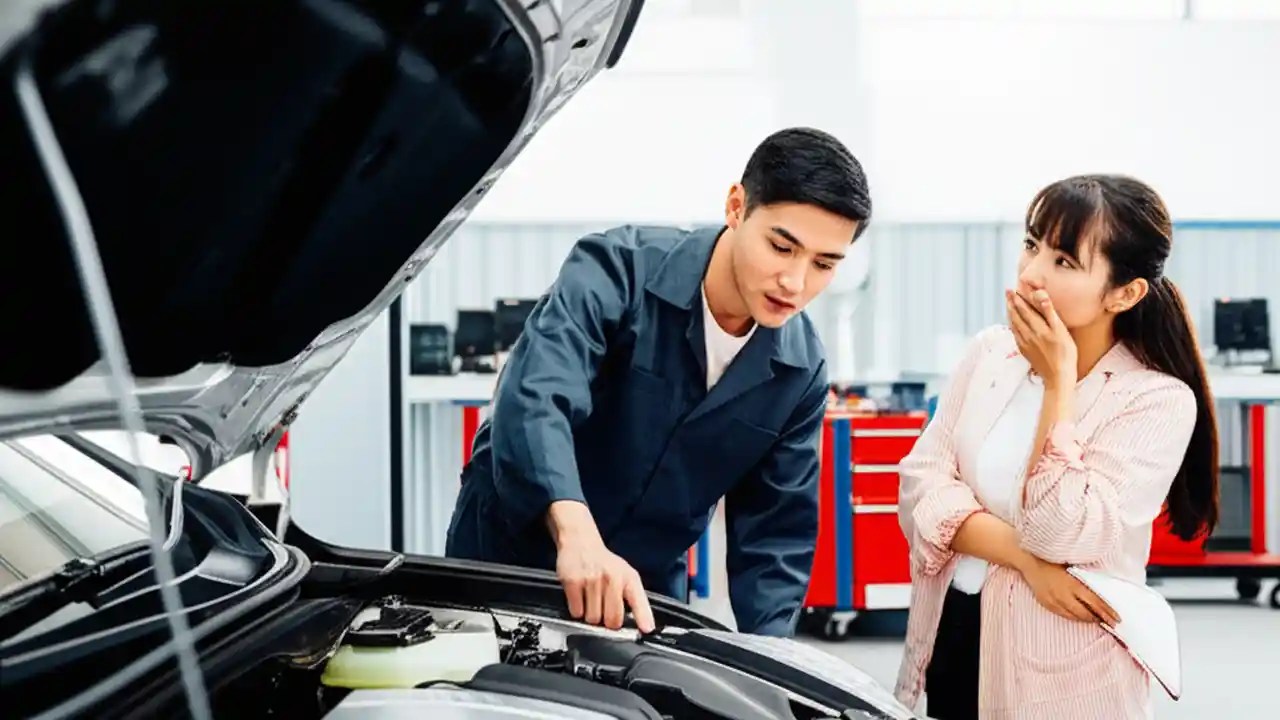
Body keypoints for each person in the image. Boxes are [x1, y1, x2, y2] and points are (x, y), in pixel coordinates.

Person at [445, 127, 872, 636]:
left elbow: (775, 536)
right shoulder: (616, 271)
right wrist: (576, 533)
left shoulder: (801, 372)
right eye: (782, 248)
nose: (796, 283)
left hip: (643, 584)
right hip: (512, 548)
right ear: (736, 207)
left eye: (824, 264)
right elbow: (535, 396)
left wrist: (775, 661)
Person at [894, 174, 1220, 719]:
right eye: (1031, 244)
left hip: (1063, 674)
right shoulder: (989, 355)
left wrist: (1058, 384)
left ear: (1125, 292)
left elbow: (1060, 529)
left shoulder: (1157, 401)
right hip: (954, 634)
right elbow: (920, 491)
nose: (1031, 274)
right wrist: (1028, 560)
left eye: (1065, 262)